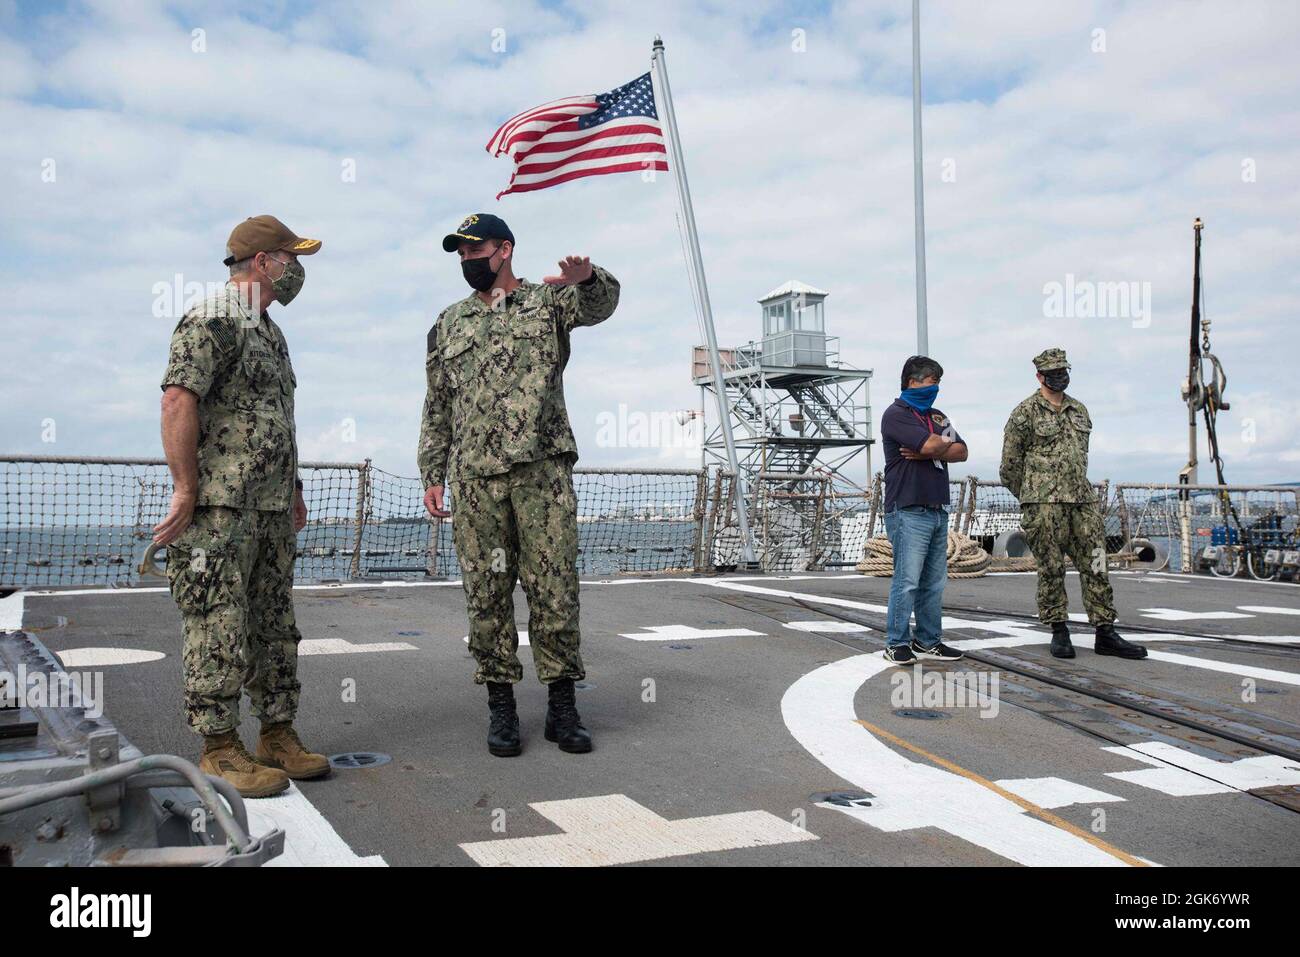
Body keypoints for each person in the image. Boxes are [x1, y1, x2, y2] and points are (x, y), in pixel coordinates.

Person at [418, 213, 620, 756]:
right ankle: (501, 706)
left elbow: (602, 305)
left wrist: (588, 277)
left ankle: (561, 705)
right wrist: (431, 474)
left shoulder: (547, 303)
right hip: (477, 478)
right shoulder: (448, 324)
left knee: (554, 587)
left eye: (474, 250)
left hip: (542, 471)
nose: (467, 261)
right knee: (487, 593)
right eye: (459, 255)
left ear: (503, 249)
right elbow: (438, 406)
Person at [153, 214, 330, 797]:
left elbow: (276, 419)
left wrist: (295, 489)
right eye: (291, 258)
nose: (297, 269)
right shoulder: (211, 320)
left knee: (275, 624)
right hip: (222, 507)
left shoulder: (270, 333)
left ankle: (276, 734)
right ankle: (219, 747)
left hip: (271, 505)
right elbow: (179, 400)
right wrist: (185, 489)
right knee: (218, 623)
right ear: (263, 262)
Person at [999, 348, 1147, 660]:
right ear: (1040, 376)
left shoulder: (1079, 410)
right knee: (1051, 567)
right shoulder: (1024, 413)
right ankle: (1058, 629)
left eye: (1063, 370)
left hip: (1082, 500)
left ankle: (1105, 630)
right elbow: (1009, 467)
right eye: (1052, 373)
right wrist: (1033, 497)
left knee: (1096, 562)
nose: (1059, 376)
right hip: (1044, 505)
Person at [878, 355, 968, 664]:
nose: (936, 389)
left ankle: (929, 640)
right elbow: (938, 447)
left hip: (936, 509)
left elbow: (962, 451)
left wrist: (928, 447)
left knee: (933, 582)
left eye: (938, 383)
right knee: (908, 581)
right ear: (912, 382)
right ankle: (896, 642)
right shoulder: (895, 414)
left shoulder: (937, 416)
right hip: (908, 510)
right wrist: (934, 446)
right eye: (932, 382)